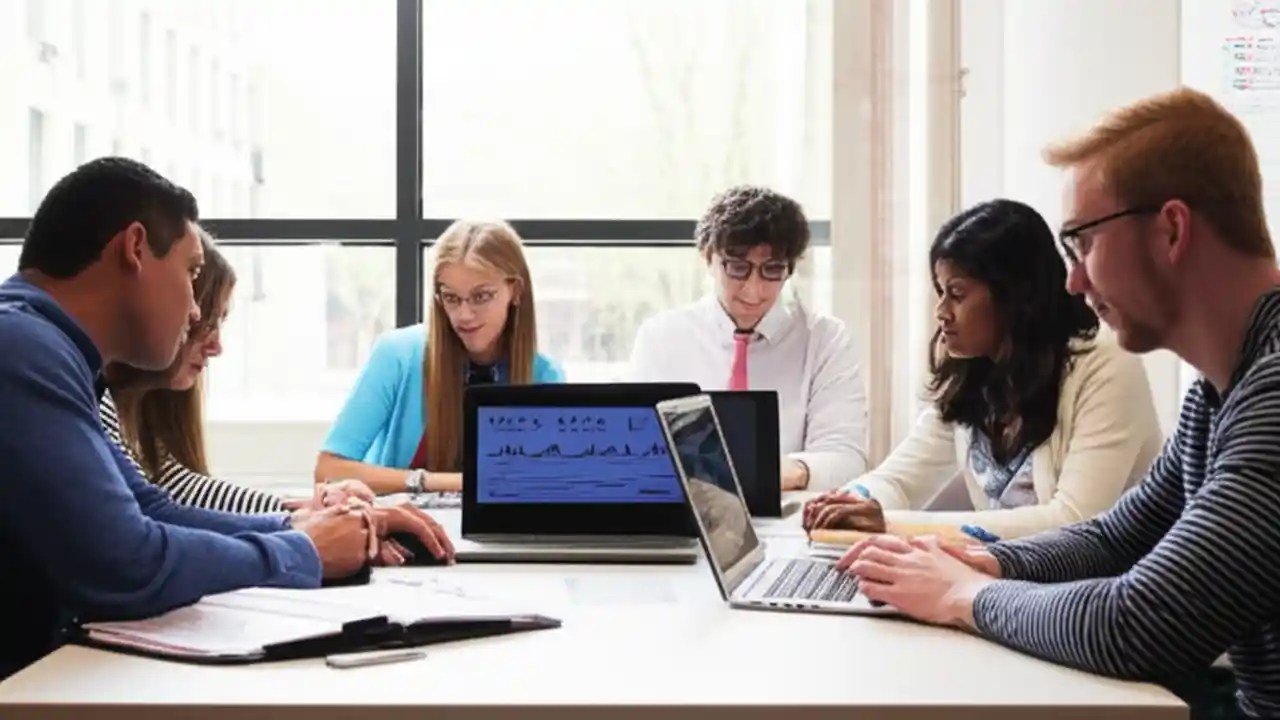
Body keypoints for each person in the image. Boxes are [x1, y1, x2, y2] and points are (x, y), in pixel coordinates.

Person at [838, 87, 1280, 718]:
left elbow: (1139, 623)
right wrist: (984, 561)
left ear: (1172, 229)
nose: (1073, 280)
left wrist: (964, 596)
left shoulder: (1272, 389)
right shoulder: (1219, 391)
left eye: (1083, 244)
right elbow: (1115, 537)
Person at [0, 158, 450, 679]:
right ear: (136, 249)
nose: (195, 310)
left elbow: (152, 510)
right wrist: (302, 550)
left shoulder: (49, 349)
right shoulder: (22, 349)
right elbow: (127, 564)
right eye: (192, 273)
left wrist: (299, 525)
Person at [802, 200, 1163, 541]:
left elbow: (1072, 520)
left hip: (1106, 591)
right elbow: (899, 480)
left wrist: (890, 524)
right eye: (940, 292)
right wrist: (849, 501)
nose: (941, 311)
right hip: (1012, 584)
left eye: (957, 294)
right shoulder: (976, 371)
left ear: (1014, 297)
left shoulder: (1106, 364)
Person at [103, 227, 374, 514]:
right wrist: (300, 523)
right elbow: (159, 515)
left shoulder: (130, 418)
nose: (216, 347)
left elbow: (176, 487)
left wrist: (304, 510)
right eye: (207, 322)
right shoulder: (94, 403)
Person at [628, 185, 869, 491]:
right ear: (708, 257)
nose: (753, 291)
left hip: (787, 513)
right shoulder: (661, 338)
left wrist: (774, 472)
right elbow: (637, 447)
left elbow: (847, 461)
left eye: (772, 270)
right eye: (738, 268)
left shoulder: (826, 340)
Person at [316, 219, 565, 496]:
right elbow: (329, 471)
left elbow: (546, 483)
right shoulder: (397, 355)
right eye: (451, 298)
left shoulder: (544, 374)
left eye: (481, 296)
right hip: (400, 531)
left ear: (515, 291)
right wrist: (450, 483)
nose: (464, 315)